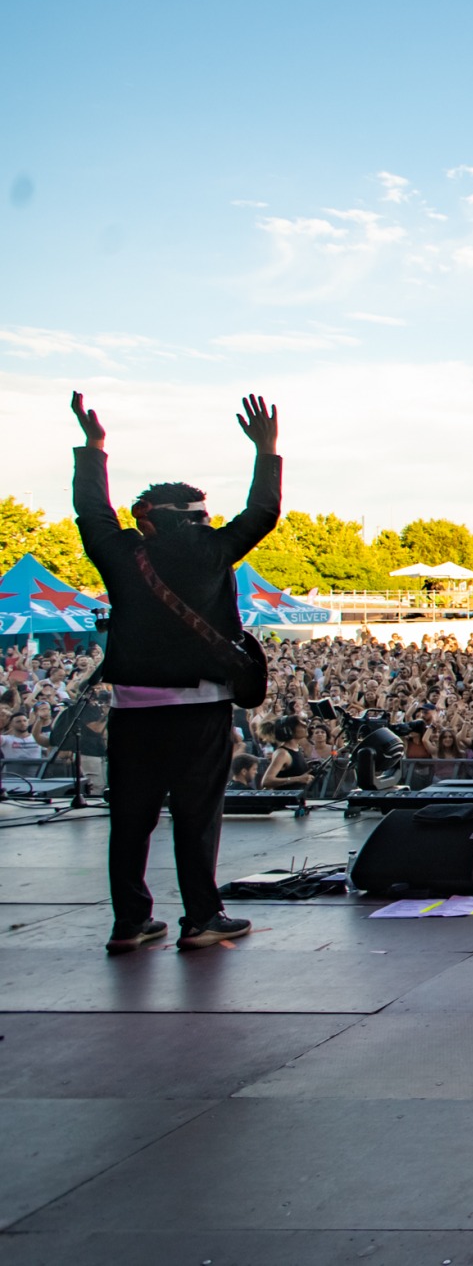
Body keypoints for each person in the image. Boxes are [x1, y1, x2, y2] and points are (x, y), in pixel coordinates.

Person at [71, 389, 281, 953]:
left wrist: (93, 449)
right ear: (195, 518)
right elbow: (262, 513)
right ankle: (202, 918)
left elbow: (91, 511)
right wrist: (266, 451)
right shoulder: (211, 550)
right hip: (199, 707)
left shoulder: (120, 552)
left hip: (132, 709)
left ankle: (129, 923)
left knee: (129, 819)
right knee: (196, 816)